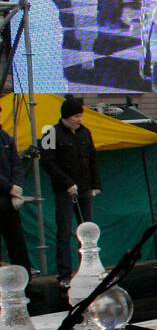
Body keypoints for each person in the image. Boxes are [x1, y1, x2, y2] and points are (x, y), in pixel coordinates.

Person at [45, 98, 100, 287]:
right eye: (77, 116)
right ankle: (64, 274)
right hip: (64, 191)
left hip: (84, 189)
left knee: (87, 231)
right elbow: (48, 162)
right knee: (65, 231)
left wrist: (95, 184)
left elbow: (92, 158)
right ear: (67, 116)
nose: (80, 119)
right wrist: (67, 183)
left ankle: (89, 270)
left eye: (81, 115)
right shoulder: (50, 132)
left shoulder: (85, 132)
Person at [0, 124, 30, 272]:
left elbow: (16, 164)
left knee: (18, 244)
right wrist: (9, 188)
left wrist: (17, 186)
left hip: (9, 202)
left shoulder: (5, 137)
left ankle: (25, 281)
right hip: (6, 193)